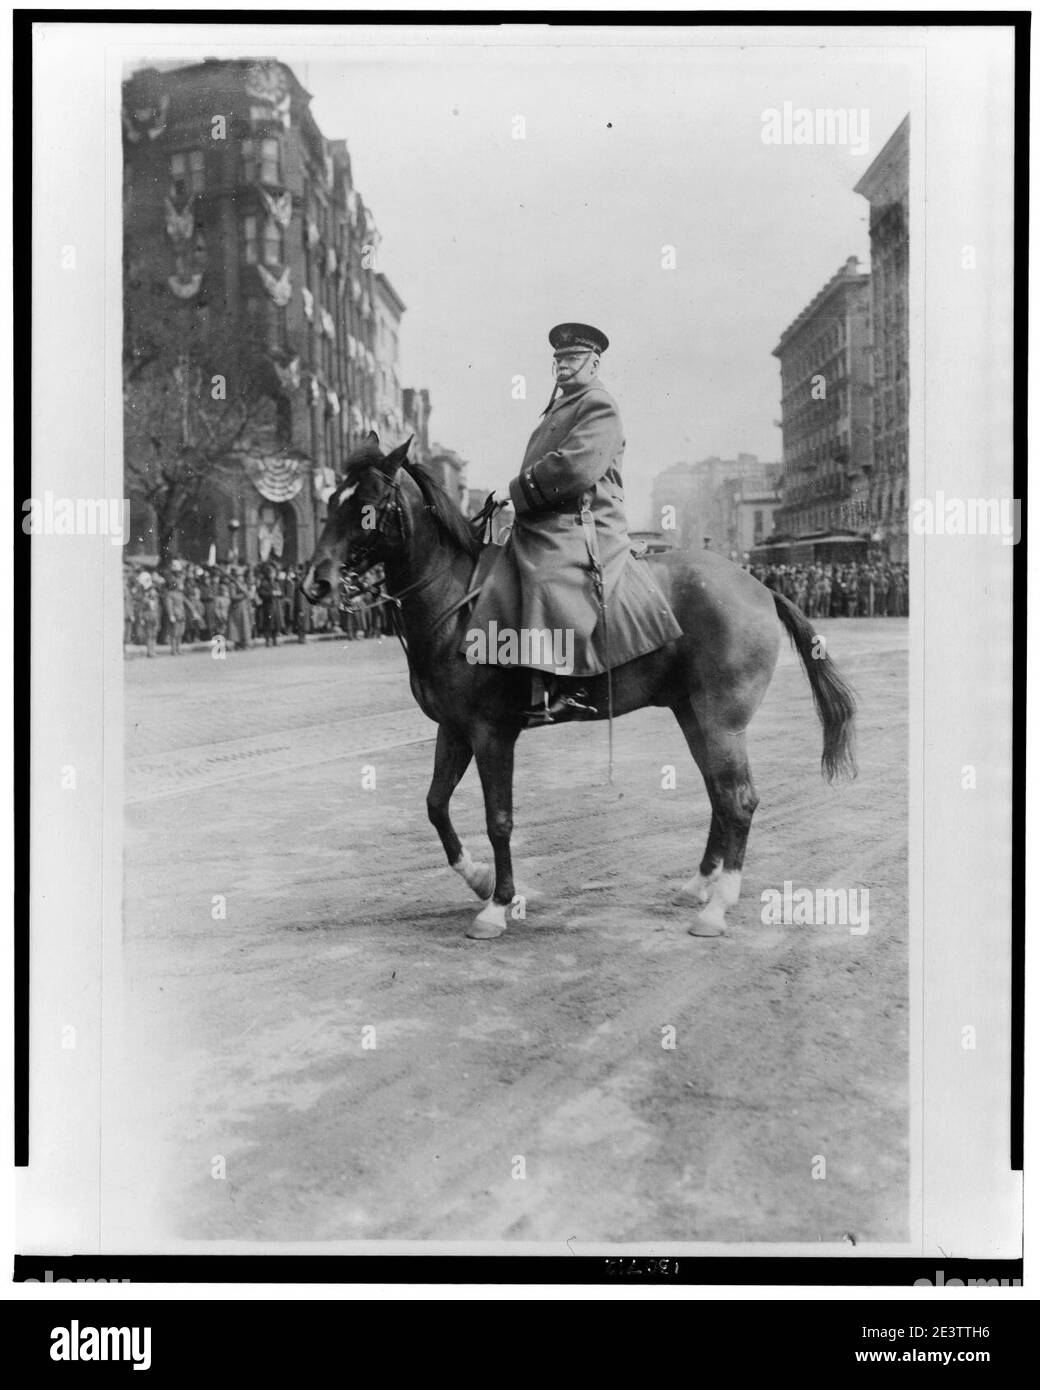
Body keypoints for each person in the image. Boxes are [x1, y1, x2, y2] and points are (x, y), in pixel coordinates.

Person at [466, 321, 682, 723]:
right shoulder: (564, 405)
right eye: (558, 360)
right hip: (553, 516)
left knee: (549, 574)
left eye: (572, 358)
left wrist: (514, 491)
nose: (562, 367)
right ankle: (510, 674)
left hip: (586, 520)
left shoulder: (598, 404)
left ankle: (570, 687)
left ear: (594, 363)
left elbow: (576, 468)